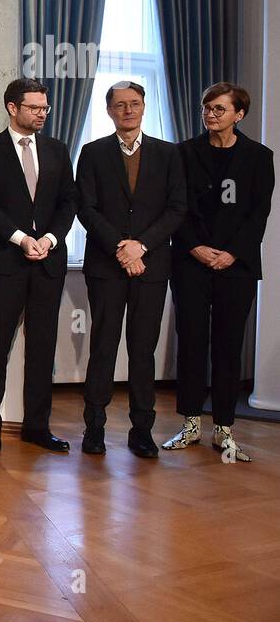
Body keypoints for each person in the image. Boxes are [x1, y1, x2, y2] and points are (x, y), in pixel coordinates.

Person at [76, 81, 186, 458]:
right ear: (109, 110)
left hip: (151, 267)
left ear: (143, 107)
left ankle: (142, 431)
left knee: (143, 350)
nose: (128, 110)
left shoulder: (169, 154)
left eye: (134, 103)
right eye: (120, 105)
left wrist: (142, 245)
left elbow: (176, 208)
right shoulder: (92, 153)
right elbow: (86, 208)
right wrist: (122, 248)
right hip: (106, 266)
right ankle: (94, 428)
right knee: (103, 347)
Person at [165, 82, 274, 461]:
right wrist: (195, 247)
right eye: (206, 108)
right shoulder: (182, 154)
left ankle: (224, 429)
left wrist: (231, 253)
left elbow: (259, 213)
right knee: (192, 342)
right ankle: (191, 423)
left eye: (219, 109)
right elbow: (176, 207)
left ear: (239, 115)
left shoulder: (259, 157)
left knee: (228, 347)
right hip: (191, 263)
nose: (210, 115)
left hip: (236, 267)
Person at [0, 78, 77, 454]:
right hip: (5, 261)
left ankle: (38, 427)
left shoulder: (57, 149)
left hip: (48, 263)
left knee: (42, 348)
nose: (42, 114)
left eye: (45, 108)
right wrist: (21, 238)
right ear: (12, 107)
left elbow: (69, 202)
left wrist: (50, 239)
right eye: (35, 108)